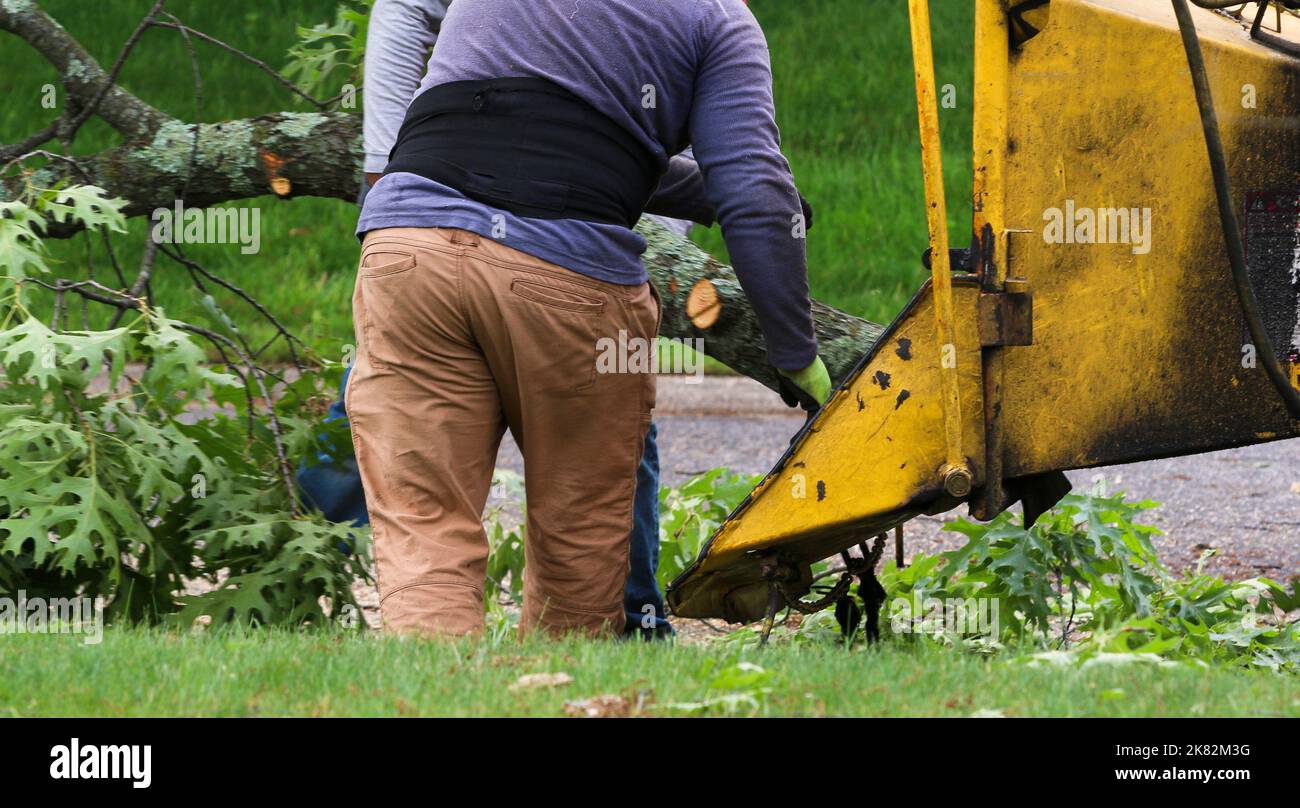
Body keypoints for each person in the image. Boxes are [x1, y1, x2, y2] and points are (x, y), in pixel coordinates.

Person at [350, 0, 830, 637]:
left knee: (424, 526)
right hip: (566, 290)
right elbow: (754, 194)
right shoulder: (716, 19)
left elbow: (532, 134)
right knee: (576, 548)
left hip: (409, 253)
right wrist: (798, 357)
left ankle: (429, 700)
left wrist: (711, 192)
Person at [297, 0, 684, 637]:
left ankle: (626, 621)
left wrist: (640, 244)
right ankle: (299, 561)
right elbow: (407, 7)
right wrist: (385, 163)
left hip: (555, 230)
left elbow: (691, 112)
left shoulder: (703, 18)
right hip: (456, 207)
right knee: (412, 422)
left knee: (583, 450)